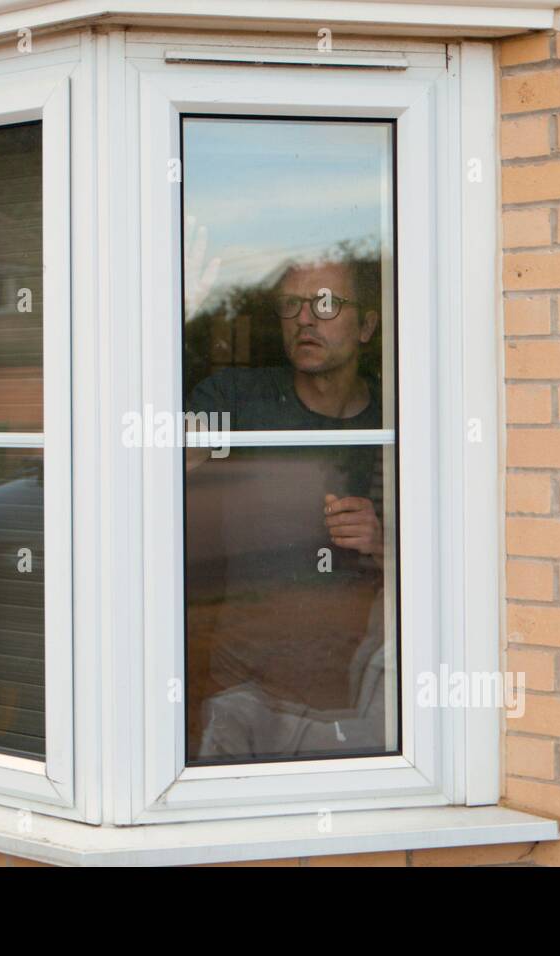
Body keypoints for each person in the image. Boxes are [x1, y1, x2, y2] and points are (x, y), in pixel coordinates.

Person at [184, 256, 395, 762]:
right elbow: (157, 459)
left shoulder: (397, 418)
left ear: (367, 325)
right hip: (238, 691)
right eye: (291, 305)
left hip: (350, 703)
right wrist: (188, 307)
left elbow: (447, 573)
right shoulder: (238, 397)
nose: (306, 318)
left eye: (325, 303)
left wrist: (382, 543)